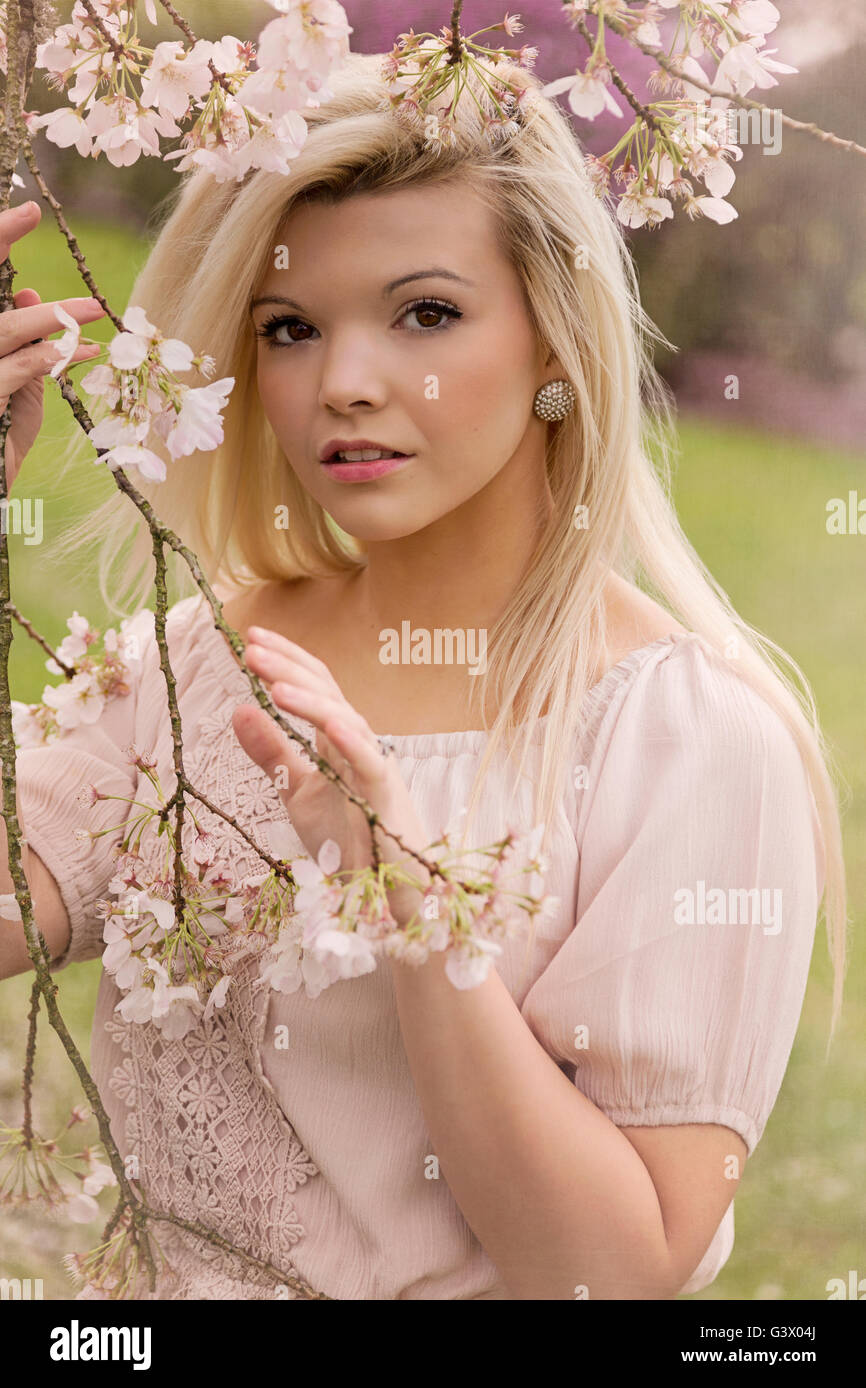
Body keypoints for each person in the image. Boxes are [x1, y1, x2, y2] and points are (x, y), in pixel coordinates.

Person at [0, 49, 846, 1300]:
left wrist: (403, 897)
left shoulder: (685, 739)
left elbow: (607, 1273)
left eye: (425, 313)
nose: (342, 382)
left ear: (555, 342)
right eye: (291, 328)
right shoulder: (189, 671)